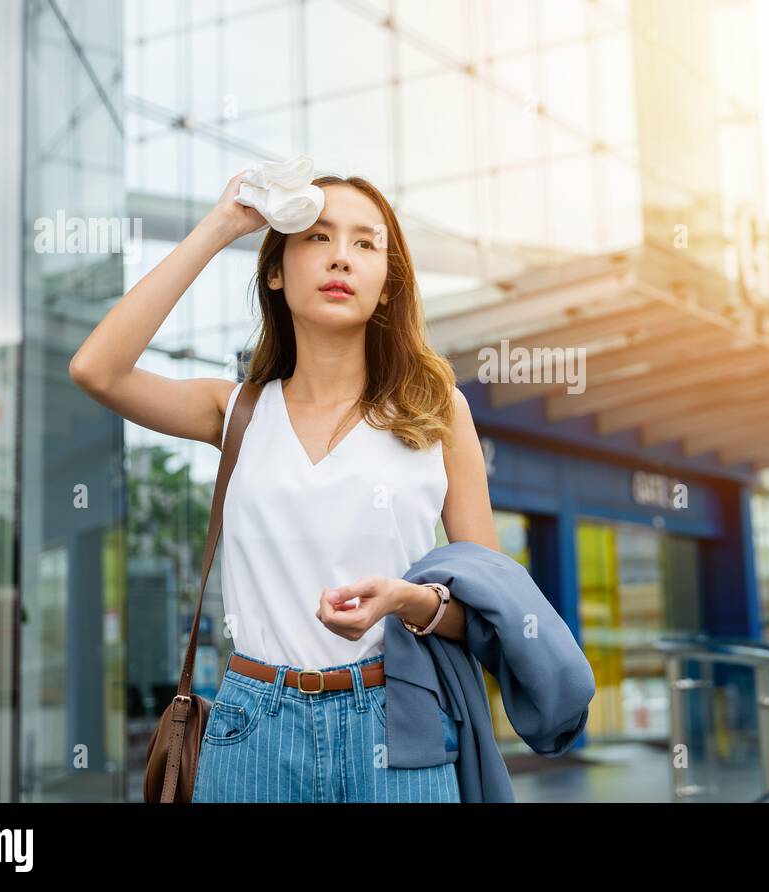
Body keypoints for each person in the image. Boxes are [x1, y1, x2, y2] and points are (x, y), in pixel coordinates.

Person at [70, 170, 500, 802]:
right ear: (276, 271)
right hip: (253, 731)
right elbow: (96, 369)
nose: (339, 257)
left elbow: (489, 609)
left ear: (386, 286)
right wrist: (222, 226)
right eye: (317, 236)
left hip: (397, 721)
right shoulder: (238, 410)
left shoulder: (438, 412)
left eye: (364, 244)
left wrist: (408, 600)